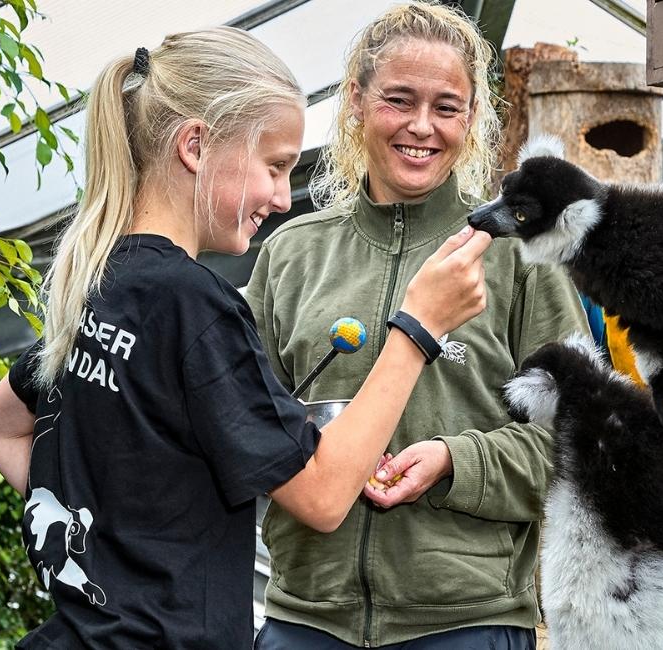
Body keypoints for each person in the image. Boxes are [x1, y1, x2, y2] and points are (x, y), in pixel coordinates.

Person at [0, 27, 491, 649]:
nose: (278, 197)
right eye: (274, 167)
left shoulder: (100, 282)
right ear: (195, 145)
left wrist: (104, 550)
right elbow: (322, 496)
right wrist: (418, 328)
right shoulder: (196, 306)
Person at [246, 3, 589, 648]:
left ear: (474, 114)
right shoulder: (291, 254)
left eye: (447, 107)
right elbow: (244, 419)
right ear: (355, 100)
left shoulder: (519, 260)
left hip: (465, 622)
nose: (422, 127)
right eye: (398, 100)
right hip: (306, 618)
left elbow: (575, 443)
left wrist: (454, 462)